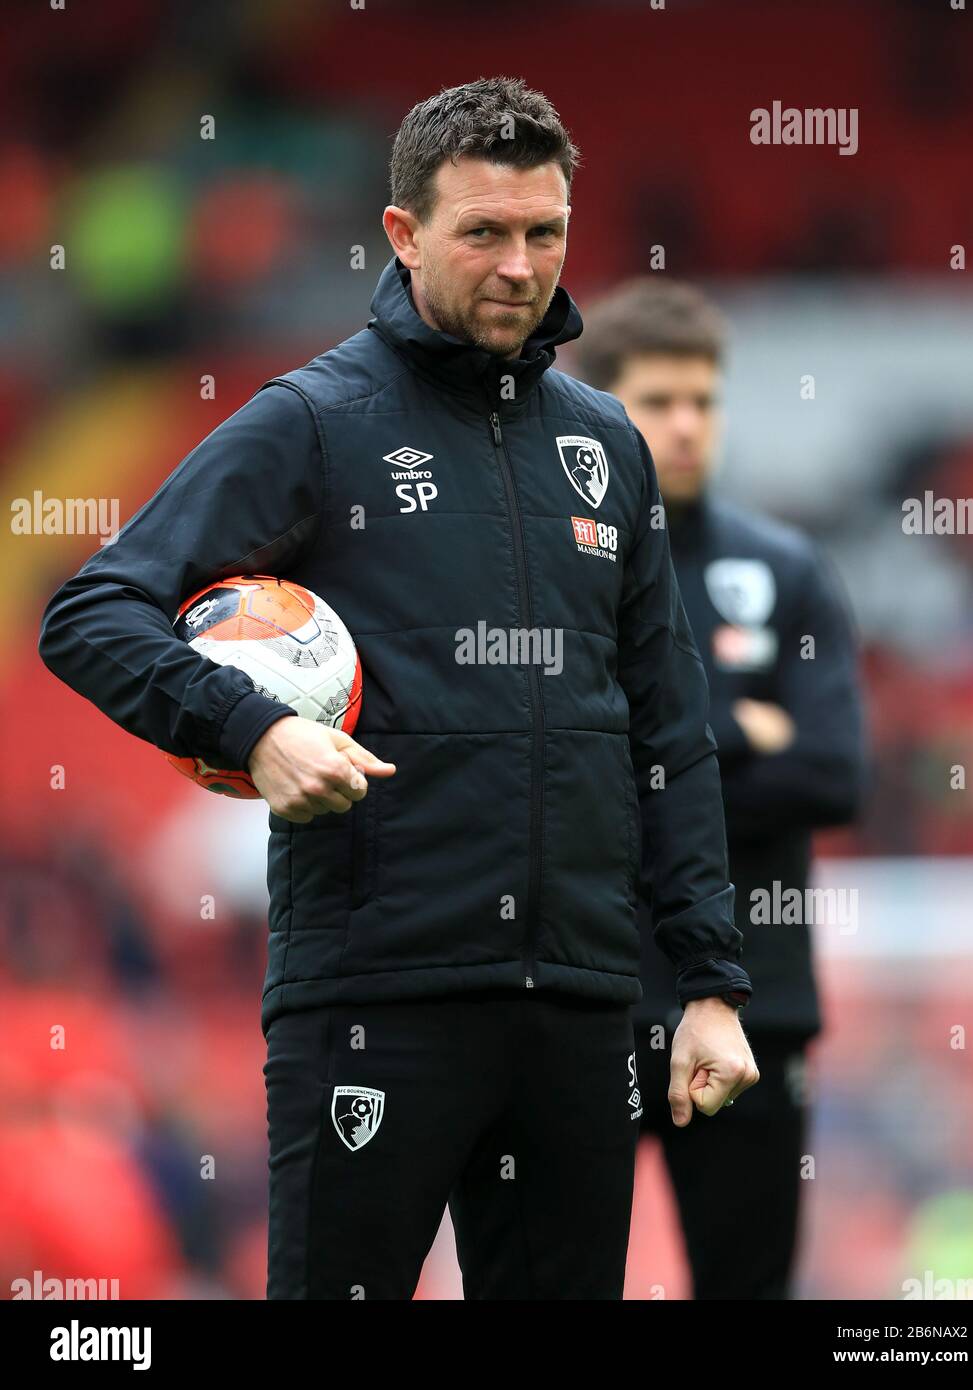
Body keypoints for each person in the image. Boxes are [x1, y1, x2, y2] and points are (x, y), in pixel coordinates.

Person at [37, 79, 757, 1301]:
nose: (520, 265)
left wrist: (711, 983)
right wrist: (251, 726)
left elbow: (667, 734)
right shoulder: (314, 422)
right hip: (375, 999)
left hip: (580, 1010)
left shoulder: (607, 446)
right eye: (483, 232)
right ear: (404, 234)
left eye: (545, 232)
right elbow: (89, 610)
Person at [575, 278, 866, 1299]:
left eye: (705, 399)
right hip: (584, 1000)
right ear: (600, 410)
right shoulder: (559, 571)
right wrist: (739, 729)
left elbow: (835, 772)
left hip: (756, 1000)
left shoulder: (784, 567)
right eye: (659, 401)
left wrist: (642, 764)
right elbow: (550, 767)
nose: (689, 425)